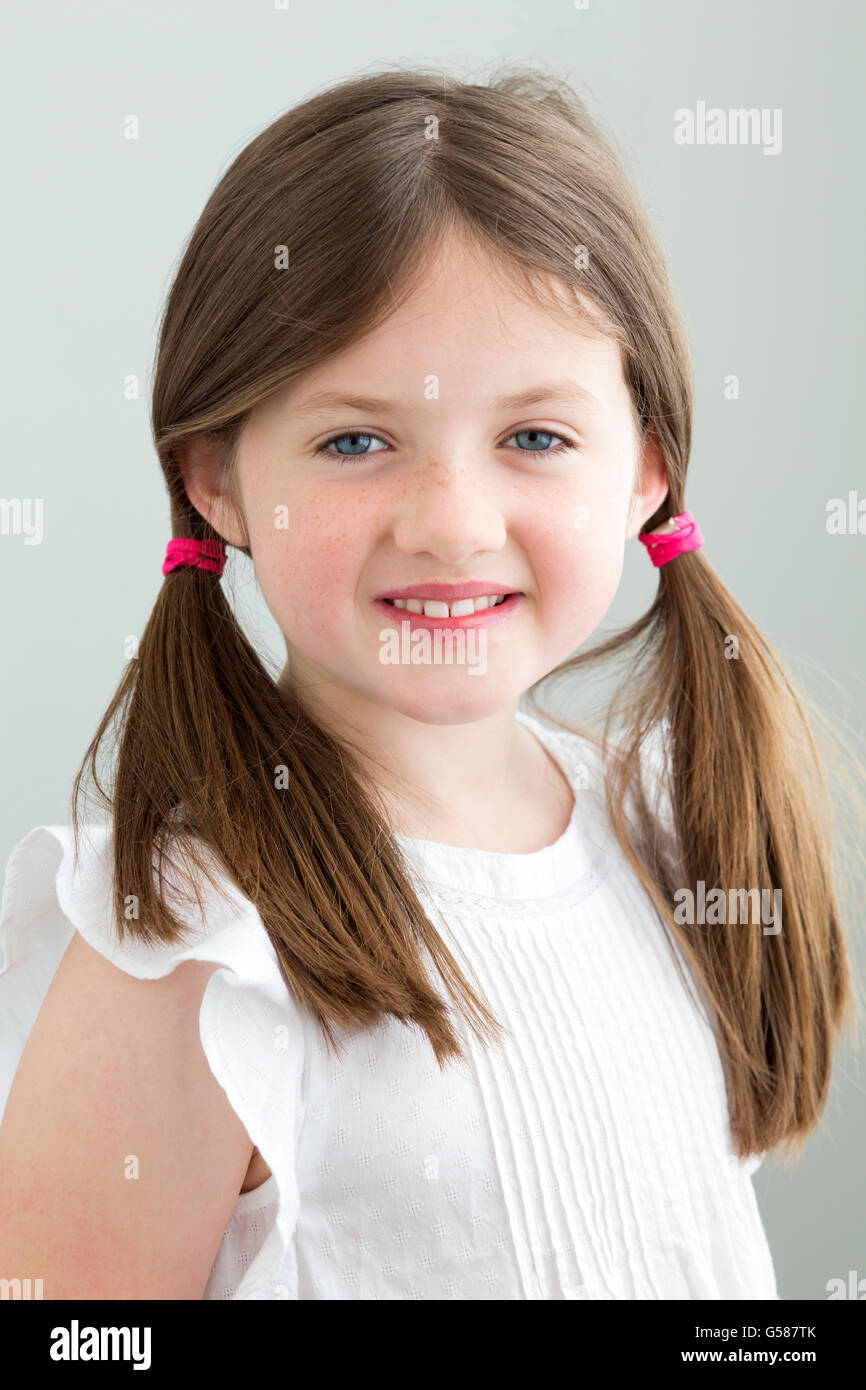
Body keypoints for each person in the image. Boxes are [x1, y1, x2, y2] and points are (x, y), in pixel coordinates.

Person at [0, 65, 857, 1300]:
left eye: (533, 438)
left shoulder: (673, 836)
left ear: (644, 472)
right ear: (216, 479)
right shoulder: (186, 953)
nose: (452, 524)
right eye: (355, 440)